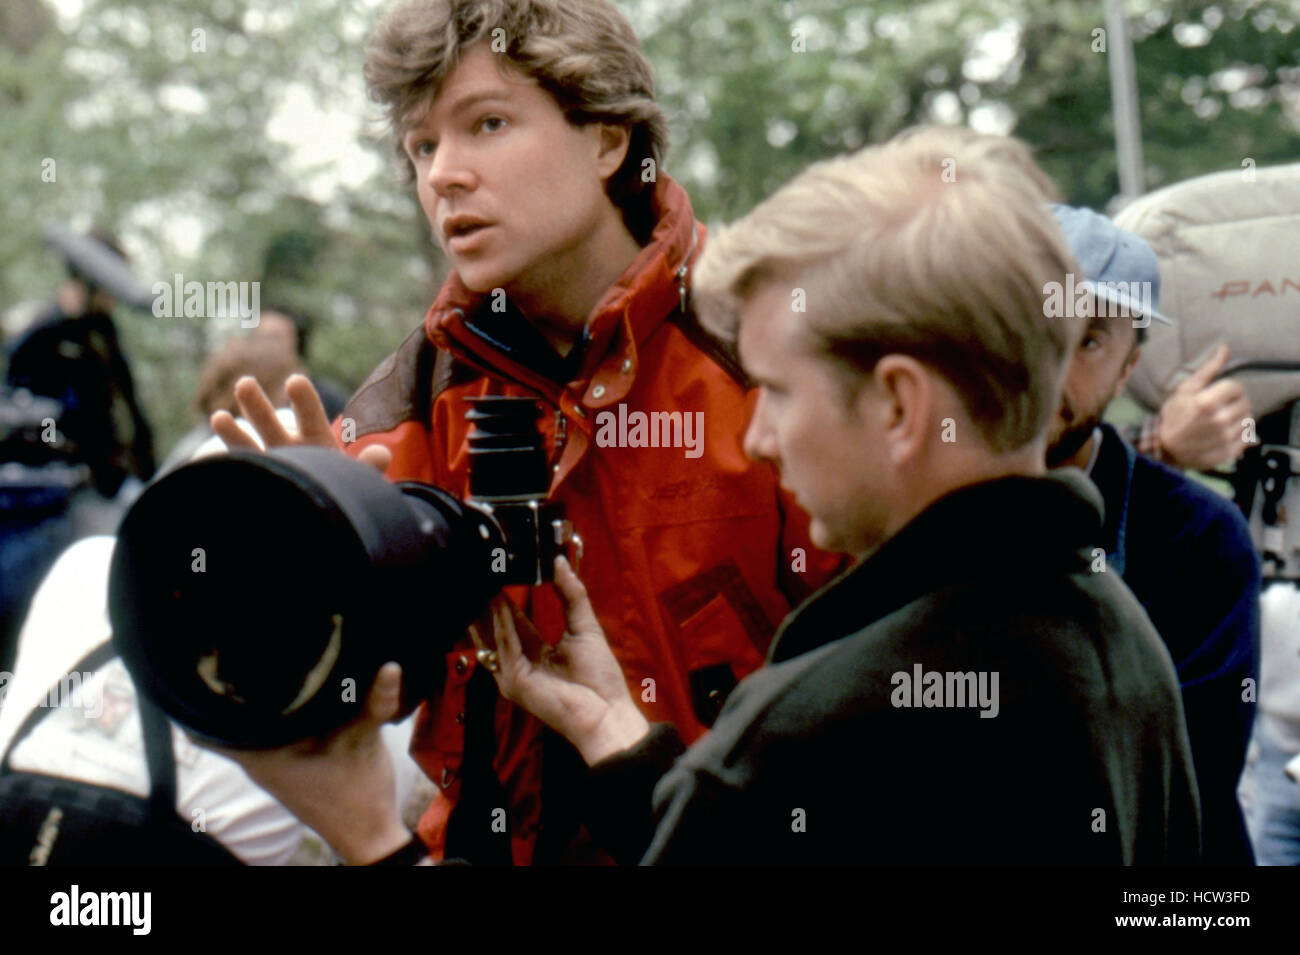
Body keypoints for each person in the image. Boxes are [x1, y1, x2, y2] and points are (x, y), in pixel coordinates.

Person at [215, 126, 1203, 866]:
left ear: (900, 404)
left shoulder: (815, 733)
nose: (761, 434)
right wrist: (612, 730)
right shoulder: (1116, 643)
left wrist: (359, 825)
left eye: (774, 391)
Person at [210, 0, 842, 864]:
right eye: (423, 146)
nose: (443, 176)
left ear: (608, 140)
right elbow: (375, 695)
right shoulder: (406, 402)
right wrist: (327, 566)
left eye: (488, 124)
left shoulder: (767, 355)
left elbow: (883, 673)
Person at [1044, 205, 1261, 865]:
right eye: (1035, 327)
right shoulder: (922, 511)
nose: (1054, 365)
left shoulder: (1199, 535)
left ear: (1127, 365)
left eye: (1090, 341)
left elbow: (1184, 776)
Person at [3, 229, 155, 498]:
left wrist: (146, 472)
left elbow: (128, 406)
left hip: (109, 483)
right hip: (51, 488)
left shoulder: (103, 333)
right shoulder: (43, 329)